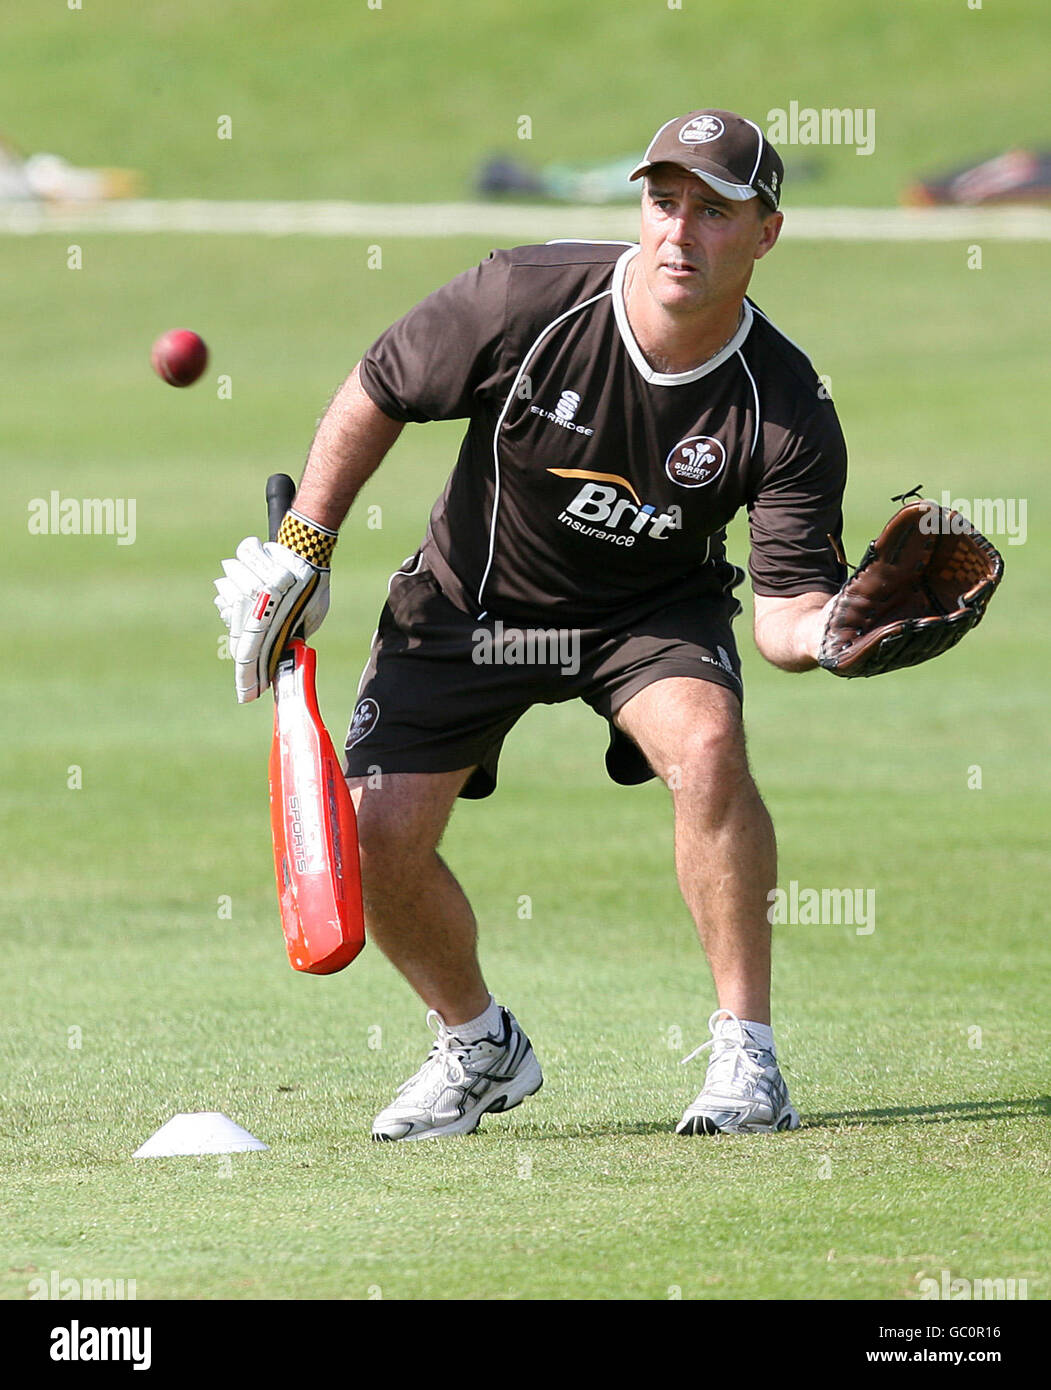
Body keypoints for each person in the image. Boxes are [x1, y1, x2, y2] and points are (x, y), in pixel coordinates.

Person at [214, 109, 848, 1142]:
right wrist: (305, 545)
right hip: (470, 603)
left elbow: (785, 613)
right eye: (664, 202)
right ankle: (478, 1046)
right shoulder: (527, 295)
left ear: (765, 233)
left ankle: (748, 1056)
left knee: (709, 745)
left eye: (714, 212)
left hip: (648, 615)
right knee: (369, 840)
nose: (680, 233)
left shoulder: (785, 405)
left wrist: (830, 637)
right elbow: (381, 383)